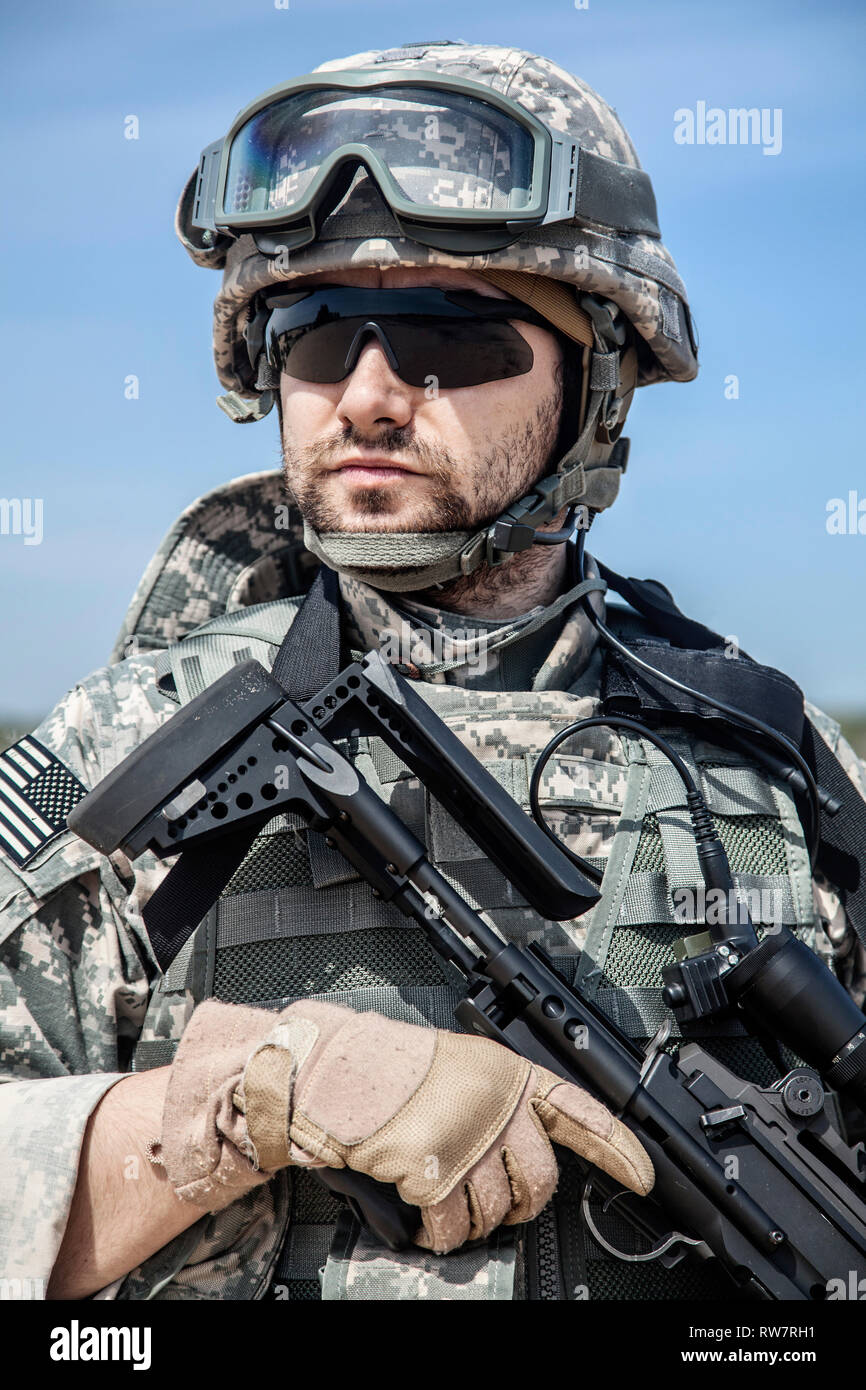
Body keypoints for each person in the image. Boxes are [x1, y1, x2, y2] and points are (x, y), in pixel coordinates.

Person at [1, 40, 864, 1304]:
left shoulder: (778, 767)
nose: (365, 396)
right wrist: (251, 1105)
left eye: (443, 341)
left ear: (599, 376)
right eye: (314, 335)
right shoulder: (121, 750)